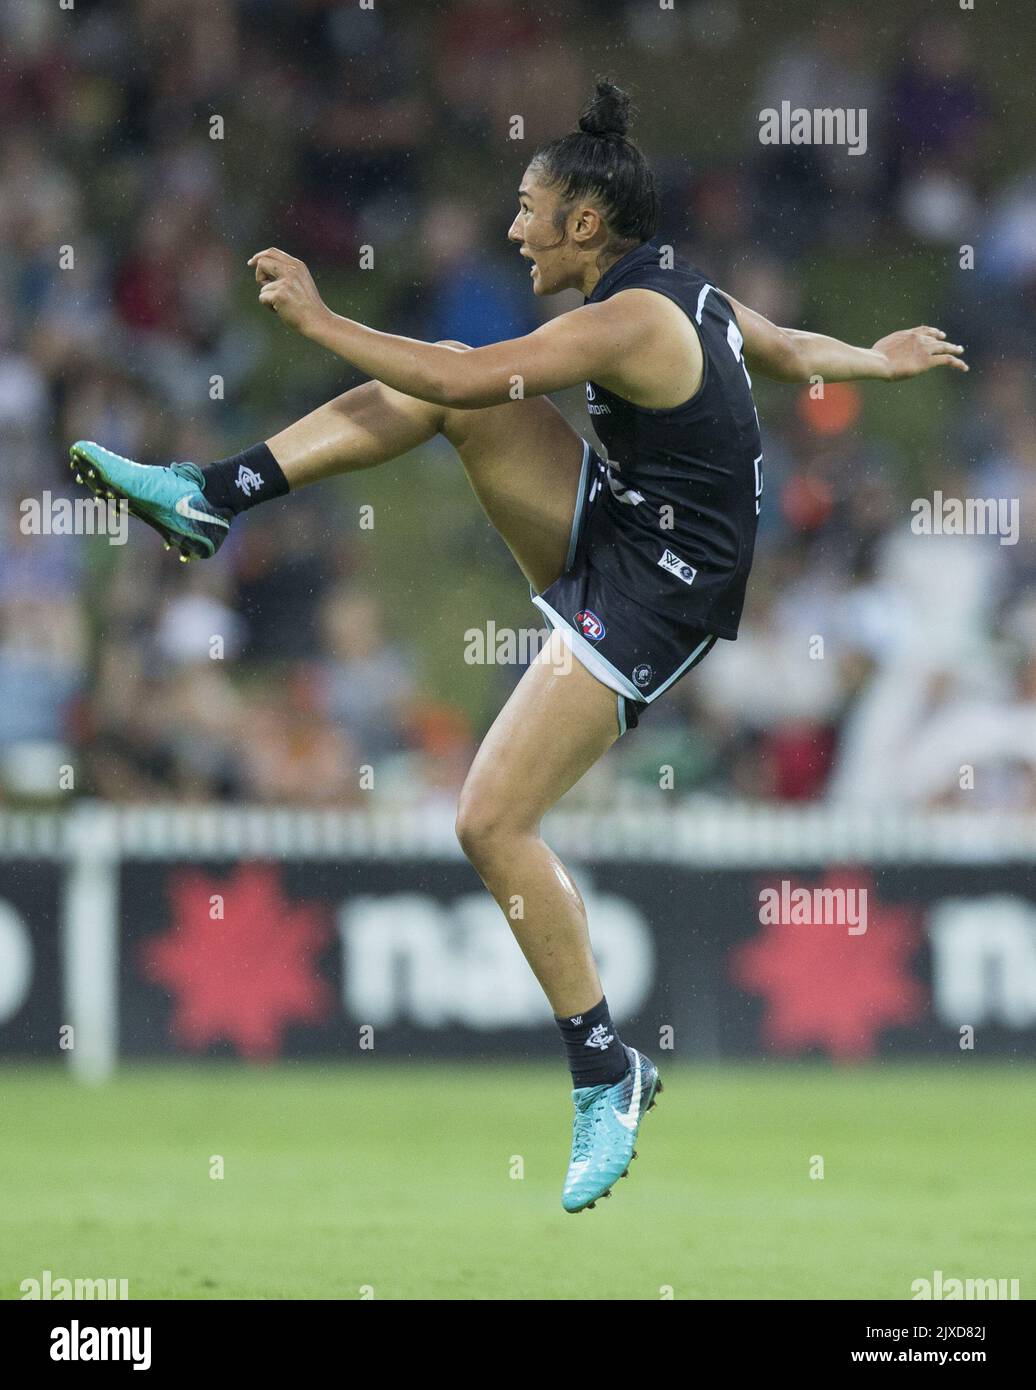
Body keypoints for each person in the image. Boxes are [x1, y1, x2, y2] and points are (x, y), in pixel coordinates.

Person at [69, 80, 968, 1213]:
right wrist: (876, 362)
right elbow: (781, 345)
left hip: (663, 592)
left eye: (527, 210)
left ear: (584, 225)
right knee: (463, 391)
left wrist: (317, 320)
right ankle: (213, 493)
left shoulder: (624, 320)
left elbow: (449, 376)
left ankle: (606, 1070)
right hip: (625, 522)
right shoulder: (680, 292)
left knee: (488, 818)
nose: (512, 228)